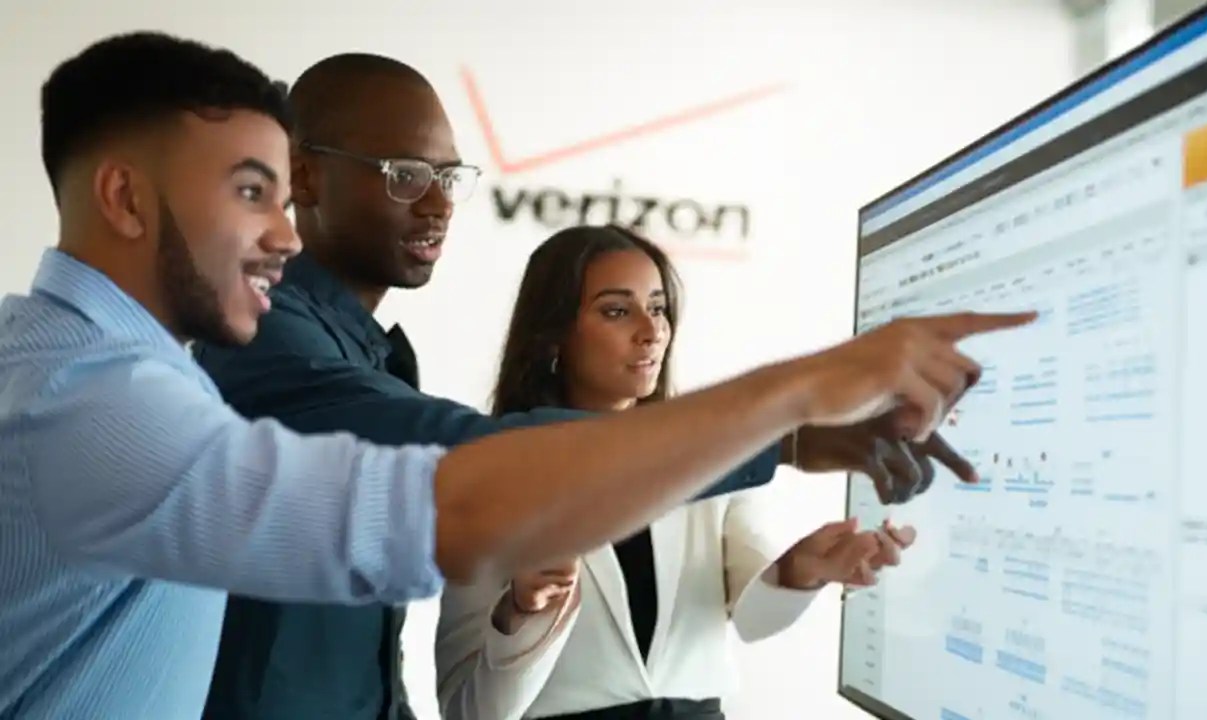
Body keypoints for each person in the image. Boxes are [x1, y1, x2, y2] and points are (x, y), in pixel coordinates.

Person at [189, 53, 1002, 720]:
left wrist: (800, 555)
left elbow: (361, 657)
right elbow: (469, 469)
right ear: (304, 176)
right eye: (405, 174)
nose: (439, 203)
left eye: (449, 175)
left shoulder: (374, 356)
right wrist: (788, 425)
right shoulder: (267, 339)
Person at [435, 225, 921, 720]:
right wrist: (523, 611)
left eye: (659, 307)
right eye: (617, 311)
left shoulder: (713, 454)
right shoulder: (489, 476)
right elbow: (466, 711)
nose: (652, 330)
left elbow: (751, 620)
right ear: (553, 335)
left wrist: (802, 572)